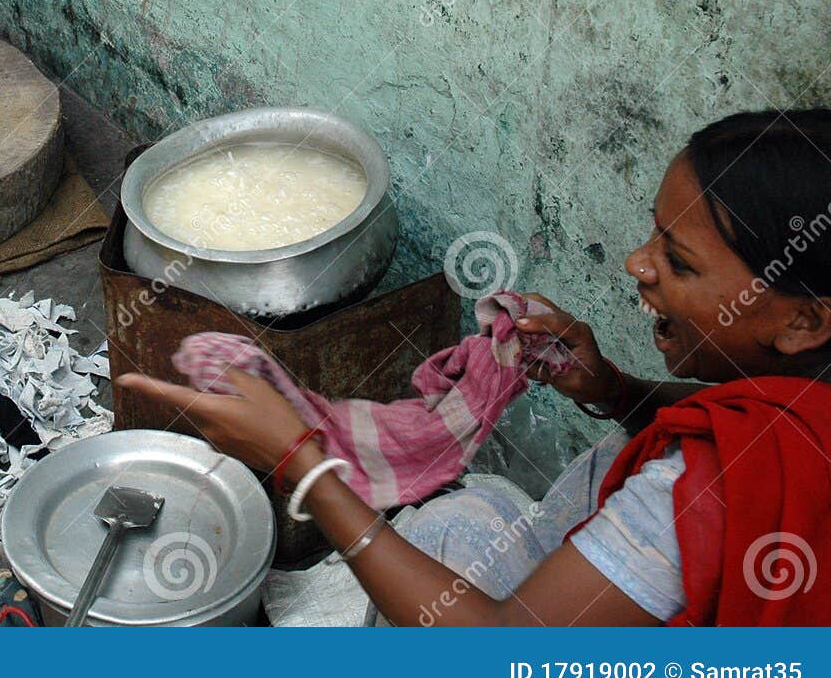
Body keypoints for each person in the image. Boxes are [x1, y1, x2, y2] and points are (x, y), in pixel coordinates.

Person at [121, 110, 831, 625]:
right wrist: (615, 391)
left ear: (804, 321)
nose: (637, 264)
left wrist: (303, 464)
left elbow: (501, 665)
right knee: (456, 516)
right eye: (653, 232)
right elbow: (745, 414)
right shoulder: (796, 400)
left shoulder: (694, 496)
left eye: (678, 262)